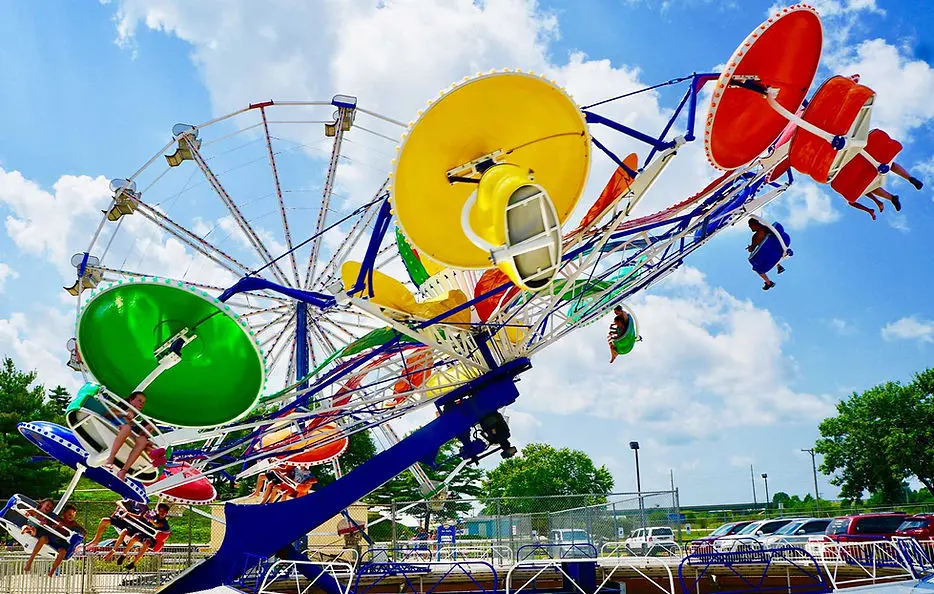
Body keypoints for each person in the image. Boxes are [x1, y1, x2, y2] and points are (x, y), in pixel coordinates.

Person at [104, 391, 153, 481]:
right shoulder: (123, 407)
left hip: (124, 431)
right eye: (139, 400)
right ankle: (110, 458)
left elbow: (132, 430)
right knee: (127, 428)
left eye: (143, 402)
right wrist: (124, 414)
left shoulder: (135, 417)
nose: (141, 404)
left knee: (142, 440)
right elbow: (107, 414)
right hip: (114, 425)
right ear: (131, 400)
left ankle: (124, 470)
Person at [25, 504, 84, 576]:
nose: (71, 517)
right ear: (64, 513)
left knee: (63, 552)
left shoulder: (74, 524)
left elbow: (83, 532)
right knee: (43, 538)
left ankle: (52, 571)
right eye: (69, 514)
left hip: (61, 542)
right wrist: (54, 525)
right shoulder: (58, 519)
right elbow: (48, 524)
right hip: (52, 538)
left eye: (73, 515)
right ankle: (30, 560)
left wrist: (76, 534)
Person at [113, 503, 171, 570]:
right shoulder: (155, 515)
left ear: (166, 513)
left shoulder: (164, 522)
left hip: (154, 538)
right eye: (160, 511)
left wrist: (150, 520)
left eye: (164, 512)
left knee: (147, 543)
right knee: (135, 537)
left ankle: (134, 563)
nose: (162, 513)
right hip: (146, 533)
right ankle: (124, 554)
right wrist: (147, 515)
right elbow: (143, 516)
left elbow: (157, 525)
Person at [747, 219, 784, 290]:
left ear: (754, 225)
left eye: (750, 226)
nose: (750, 228)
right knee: (769, 251)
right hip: (774, 252)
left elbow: (751, 249)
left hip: (769, 254)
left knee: (756, 267)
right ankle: (779, 266)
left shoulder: (755, 237)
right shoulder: (767, 228)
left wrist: (749, 248)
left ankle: (768, 282)